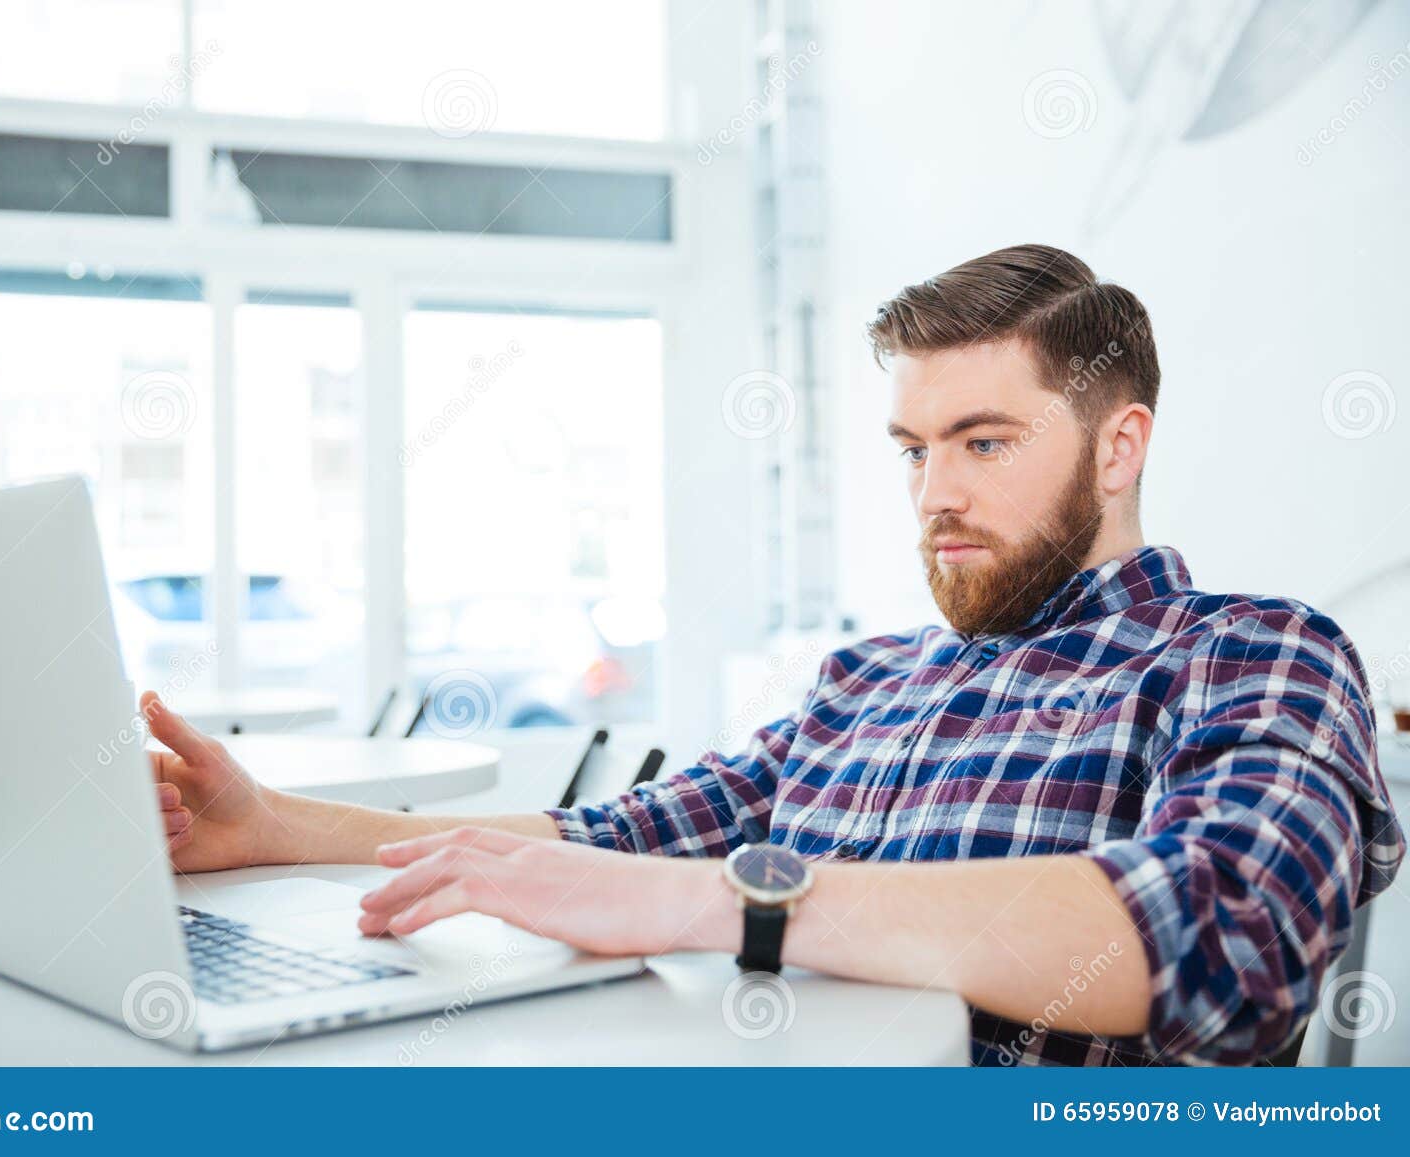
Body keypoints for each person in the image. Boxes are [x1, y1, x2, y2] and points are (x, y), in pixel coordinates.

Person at [143, 244, 1403, 1066]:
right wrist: (275, 825)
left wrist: (733, 903)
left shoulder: (1251, 652)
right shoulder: (870, 680)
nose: (933, 492)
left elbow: (1230, 936)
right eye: (913, 449)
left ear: (1116, 447)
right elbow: (620, 841)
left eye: (982, 441)